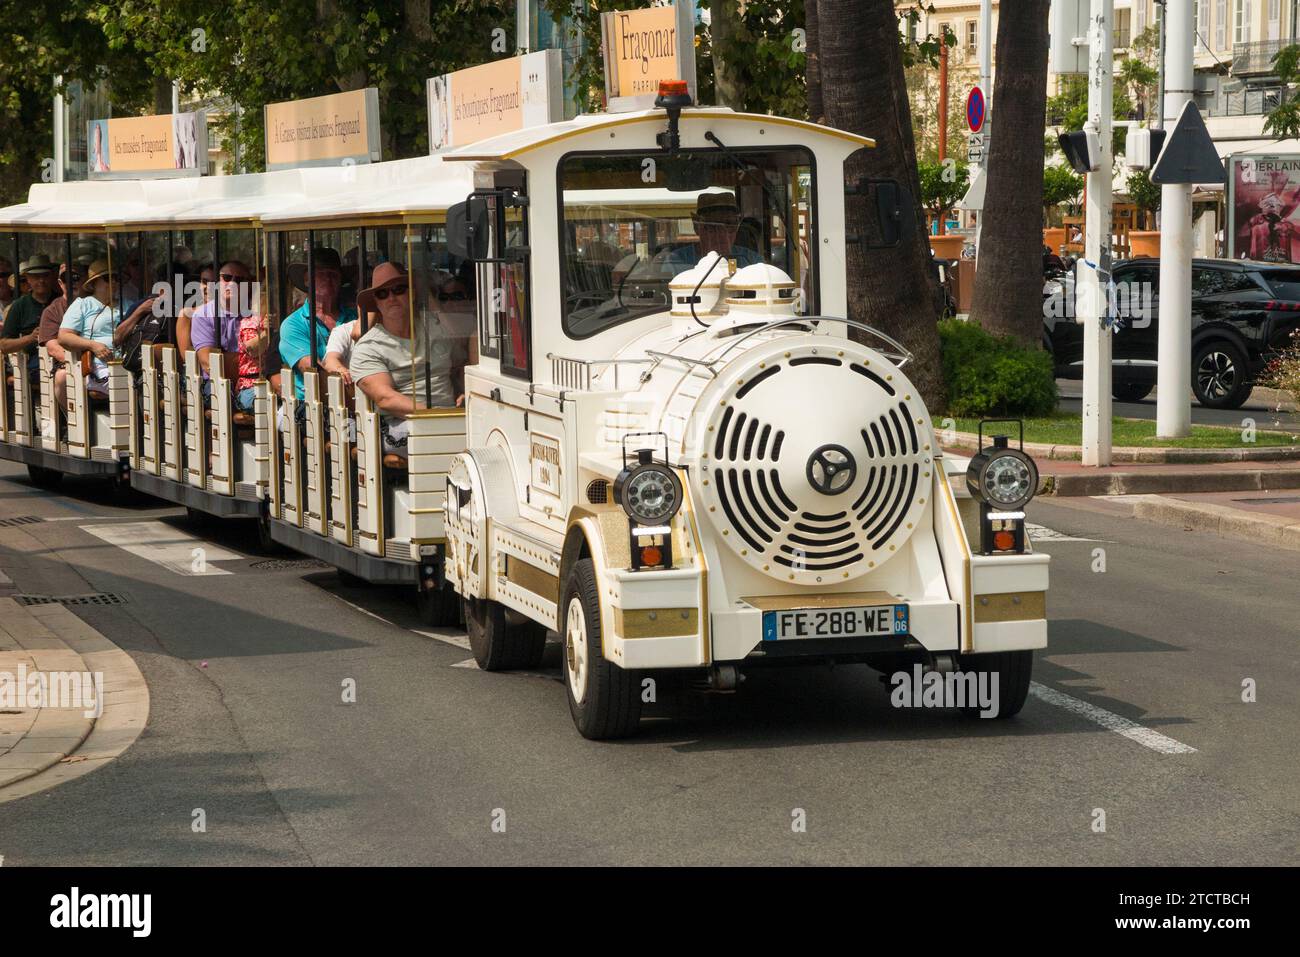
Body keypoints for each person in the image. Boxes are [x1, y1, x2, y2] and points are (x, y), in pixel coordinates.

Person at [349, 263, 459, 456]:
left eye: (399, 290)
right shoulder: (368, 347)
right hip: (403, 423)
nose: (391, 298)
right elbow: (385, 399)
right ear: (377, 303)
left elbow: (461, 350)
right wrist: (434, 415)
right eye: (382, 294)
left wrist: (466, 395)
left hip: (452, 415)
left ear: (413, 293)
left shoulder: (435, 327)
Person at [279, 246, 356, 401]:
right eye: (320, 274)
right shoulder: (293, 324)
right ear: (307, 280)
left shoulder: (354, 318)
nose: (328, 279)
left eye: (333, 275)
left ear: (340, 280)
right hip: (310, 406)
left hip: (357, 399)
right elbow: (312, 369)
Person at [57, 259, 121, 408]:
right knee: (128, 385)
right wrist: (93, 345)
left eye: (117, 278)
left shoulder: (128, 303)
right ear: (94, 283)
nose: (114, 282)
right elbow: (64, 336)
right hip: (99, 367)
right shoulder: (83, 304)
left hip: (126, 363)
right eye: (108, 278)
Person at [189, 260, 253, 401]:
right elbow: (207, 362)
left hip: (251, 380)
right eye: (227, 278)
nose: (232, 284)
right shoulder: (203, 314)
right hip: (215, 381)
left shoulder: (256, 312)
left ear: (248, 286)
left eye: (240, 280)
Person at [665, 191, 763, 272]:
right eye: (711, 226)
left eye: (729, 224)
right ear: (696, 226)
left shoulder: (753, 261)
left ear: (738, 226)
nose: (722, 234)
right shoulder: (675, 261)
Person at [1, 254, 59, 385]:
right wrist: (31, 337)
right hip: (33, 364)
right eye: (36, 277)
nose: (41, 281)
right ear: (28, 279)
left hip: (60, 358)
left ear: (52, 277)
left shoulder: (61, 301)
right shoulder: (19, 306)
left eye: (45, 276)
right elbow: (3, 345)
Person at [38, 263, 83, 410]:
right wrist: (80, 364)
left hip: (100, 359)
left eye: (76, 278)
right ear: (59, 283)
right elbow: (52, 347)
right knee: (62, 377)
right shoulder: (52, 310)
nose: (72, 282)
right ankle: (73, 420)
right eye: (66, 278)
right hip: (71, 362)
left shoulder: (95, 303)